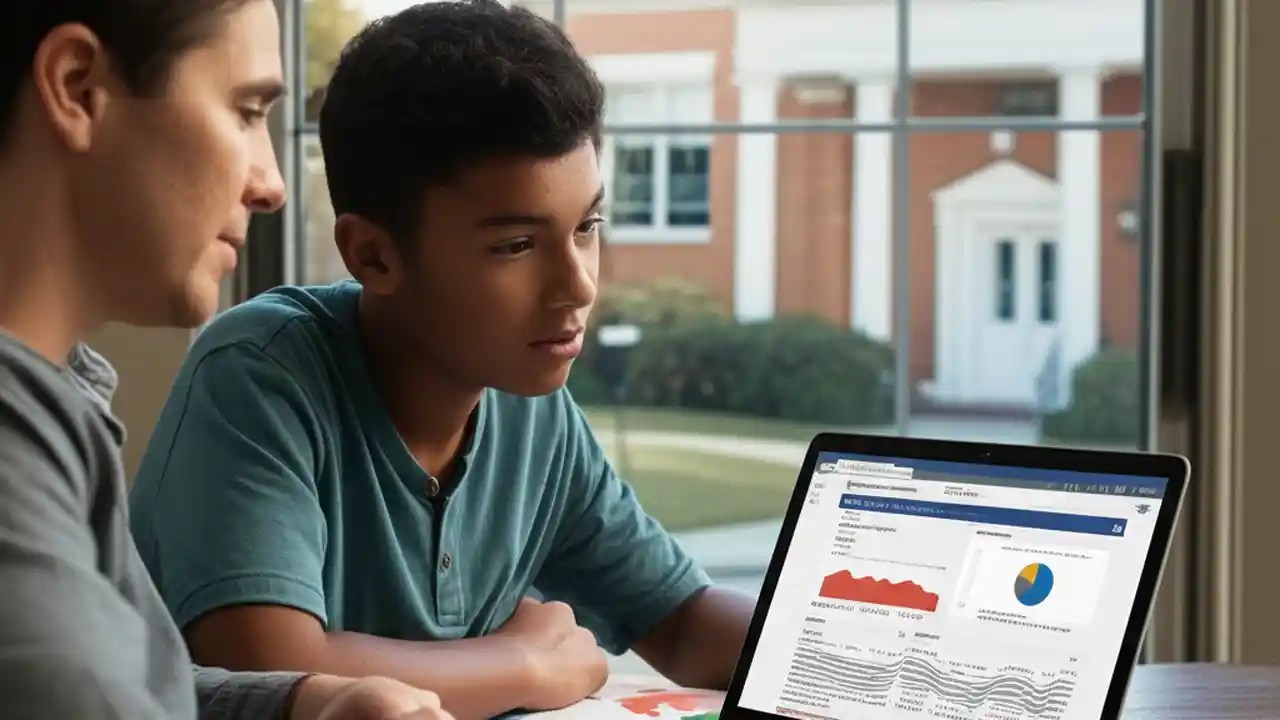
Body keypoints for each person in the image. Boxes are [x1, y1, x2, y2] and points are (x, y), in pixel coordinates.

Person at [128, 1, 757, 718]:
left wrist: (872, 660)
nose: (578, 284)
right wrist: (522, 665)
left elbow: (679, 620)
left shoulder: (533, 409)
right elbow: (265, 664)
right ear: (374, 254)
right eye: (516, 246)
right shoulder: (260, 374)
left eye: (586, 227)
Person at [0, 2, 458, 718]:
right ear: (78, 86)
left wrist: (305, 704)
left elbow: (110, 684)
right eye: (247, 112)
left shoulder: (57, 401)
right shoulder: (10, 446)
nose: (271, 184)